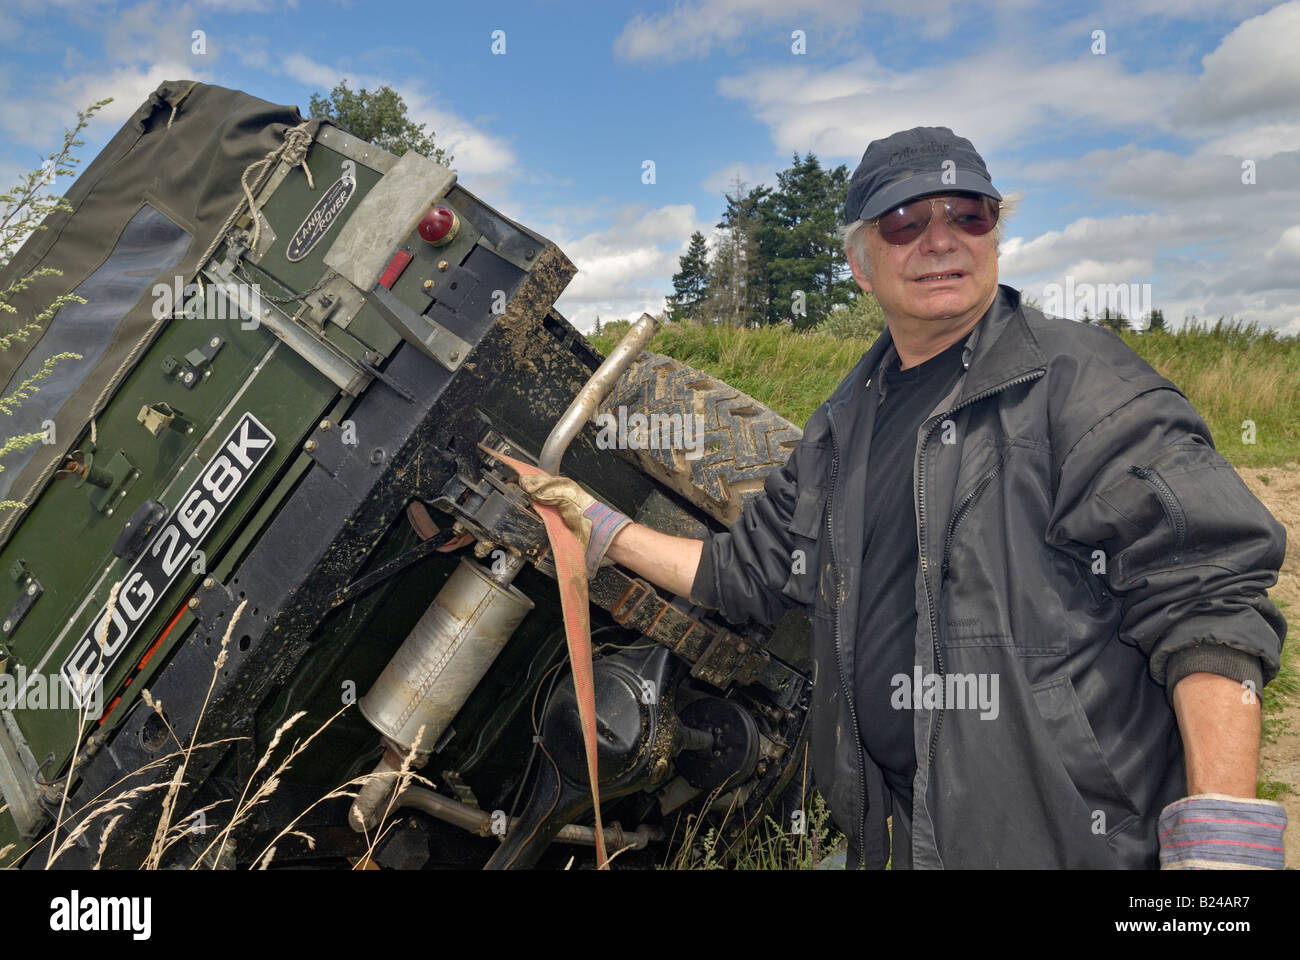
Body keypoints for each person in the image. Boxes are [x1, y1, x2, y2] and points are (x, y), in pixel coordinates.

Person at [518, 127, 1288, 869]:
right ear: (861, 264)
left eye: (967, 215)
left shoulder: (1080, 382)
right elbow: (743, 572)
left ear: (994, 236)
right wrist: (597, 526)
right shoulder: (842, 426)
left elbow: (1206, 596)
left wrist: (1219, 845)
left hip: (1079, 843)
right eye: (905, 223)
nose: (941, 240)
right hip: (913, 835)